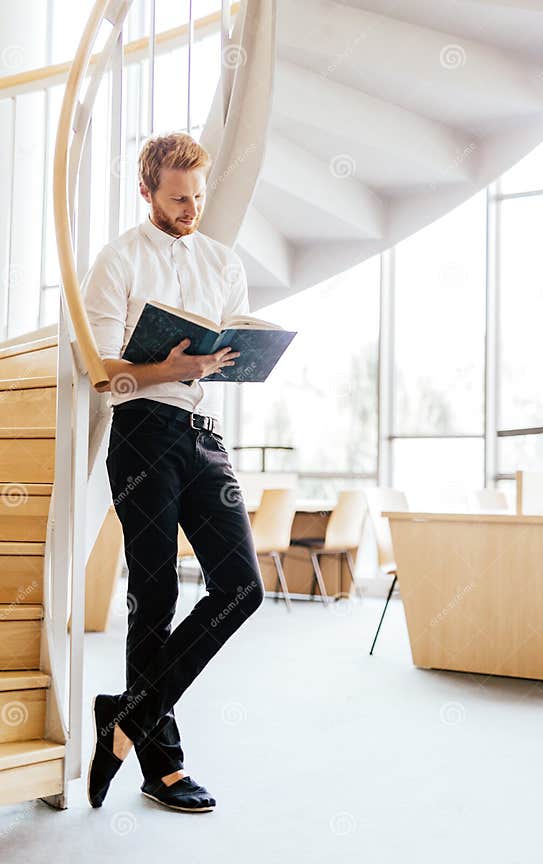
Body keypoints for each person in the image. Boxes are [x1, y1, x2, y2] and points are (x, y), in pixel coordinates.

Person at [82, 132, 265, 812]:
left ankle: (124, 716)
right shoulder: (119, 260)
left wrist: (233, 359)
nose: (190, 209)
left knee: (241, 588)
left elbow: (229, 346)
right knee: (153, 602)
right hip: (143, 434)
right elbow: (104, 370)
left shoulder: (222, 262)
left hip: (202, 434)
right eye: (177, 198)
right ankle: (162, 770)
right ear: (147, 191)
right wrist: (169, 368)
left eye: (197, 196)